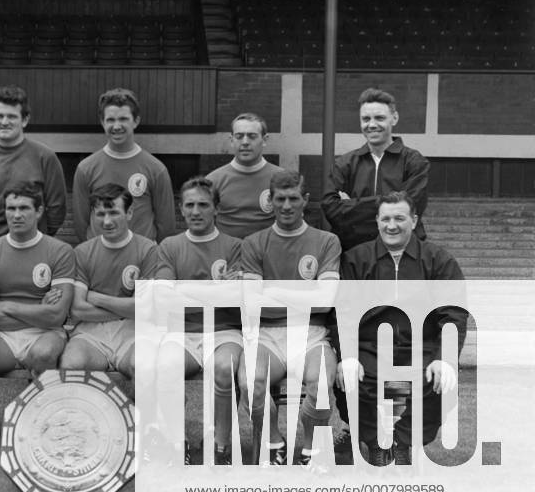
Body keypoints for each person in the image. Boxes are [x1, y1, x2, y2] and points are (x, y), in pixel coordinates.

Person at [337, 191, 466, 466]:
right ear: (376, 220)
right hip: (370, 348)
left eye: (399, 218)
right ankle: (376, 443)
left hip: (421, 347)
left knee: (442, 382)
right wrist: (347, 356)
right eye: (385, 219)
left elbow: (453, 314)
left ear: (414, 220)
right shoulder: (356, 259)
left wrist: (445, 358)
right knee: (348, 378)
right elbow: (344, 313)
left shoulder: (438, 260)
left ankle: (404, 443)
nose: (392, 225)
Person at [0, 183, 75, 460]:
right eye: (11, 208)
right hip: (4, 338)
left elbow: (57, 316)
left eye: (24, 208)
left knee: (44, 354)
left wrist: (7, 306)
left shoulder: (60, 251)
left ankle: (38, 430)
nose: (17, 214)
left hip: (46, 333)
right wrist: (36, 310)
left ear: (39, 211)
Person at [238, 170, 341, 466]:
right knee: (250, 383)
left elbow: (325, 302)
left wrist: (272, 291)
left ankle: (310, 448)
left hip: (311, 334)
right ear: (270, 201)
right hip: (266, 335)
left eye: (293, 198)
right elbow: (253, 304)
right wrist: (304, 296)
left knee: (321, 384)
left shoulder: (326, 241)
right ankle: (274, 443)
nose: (286, 206)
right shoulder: (254, 243)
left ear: (305, 200)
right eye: (280, 199)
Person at [155, 177, 243, 465]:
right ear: (181, 209)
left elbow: (234, 298)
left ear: (216, 208)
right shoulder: (169, 246)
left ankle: (220, 445)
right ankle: (176, 442)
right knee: (166, 366)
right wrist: (215, 290)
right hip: (181, 332)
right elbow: (165, 298)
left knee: (224, 368)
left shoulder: (234, 246)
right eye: (189, 205)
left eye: (203, 205)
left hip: (224, 331)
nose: (196, 211)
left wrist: (183, 290)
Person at [60, 183, 159, 378]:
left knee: (143, 366)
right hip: (90, 333)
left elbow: (143, 309)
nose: (106, 221)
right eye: (100, 214)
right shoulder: (82, 252)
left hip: (134, 332)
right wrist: (126, 309)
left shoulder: (148, 250)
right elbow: (78, 310)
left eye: (114, 213)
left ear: (129, 213)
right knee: (71, 365)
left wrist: (96, 298)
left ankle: (138, 400)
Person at [321, 88, 430, 251]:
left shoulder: (415, 162)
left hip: (404, 253)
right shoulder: (343, 164)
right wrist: (392, 202)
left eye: (379, 118)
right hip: (355, 253)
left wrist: (351, 206)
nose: (372, 125)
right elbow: (332, 210)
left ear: (394, 118)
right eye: (366, 119)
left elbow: (411, 209)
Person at [0, 86, 67, 242]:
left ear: (25, 120)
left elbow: (57, 208)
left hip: (31, 246)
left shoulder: (45, 157)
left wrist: (38, 238)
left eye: (11, 116)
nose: (4, 122)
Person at [71, 88, 175, 242]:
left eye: (123, 119)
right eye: (110, 120)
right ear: (102, 122)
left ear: (136, 121)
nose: (116, 126)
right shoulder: (86, 169)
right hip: (100, 255)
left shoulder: (156, 169)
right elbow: (81, 223)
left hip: (141, 256)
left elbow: (166, 226)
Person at [204, 112, 285, 239]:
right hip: (228, 251)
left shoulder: (281, 179)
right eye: (239, 136)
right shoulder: (213, 181)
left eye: (252, 136)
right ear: (231, 140)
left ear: (264, 140)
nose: (245, 142)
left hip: (269, 250)